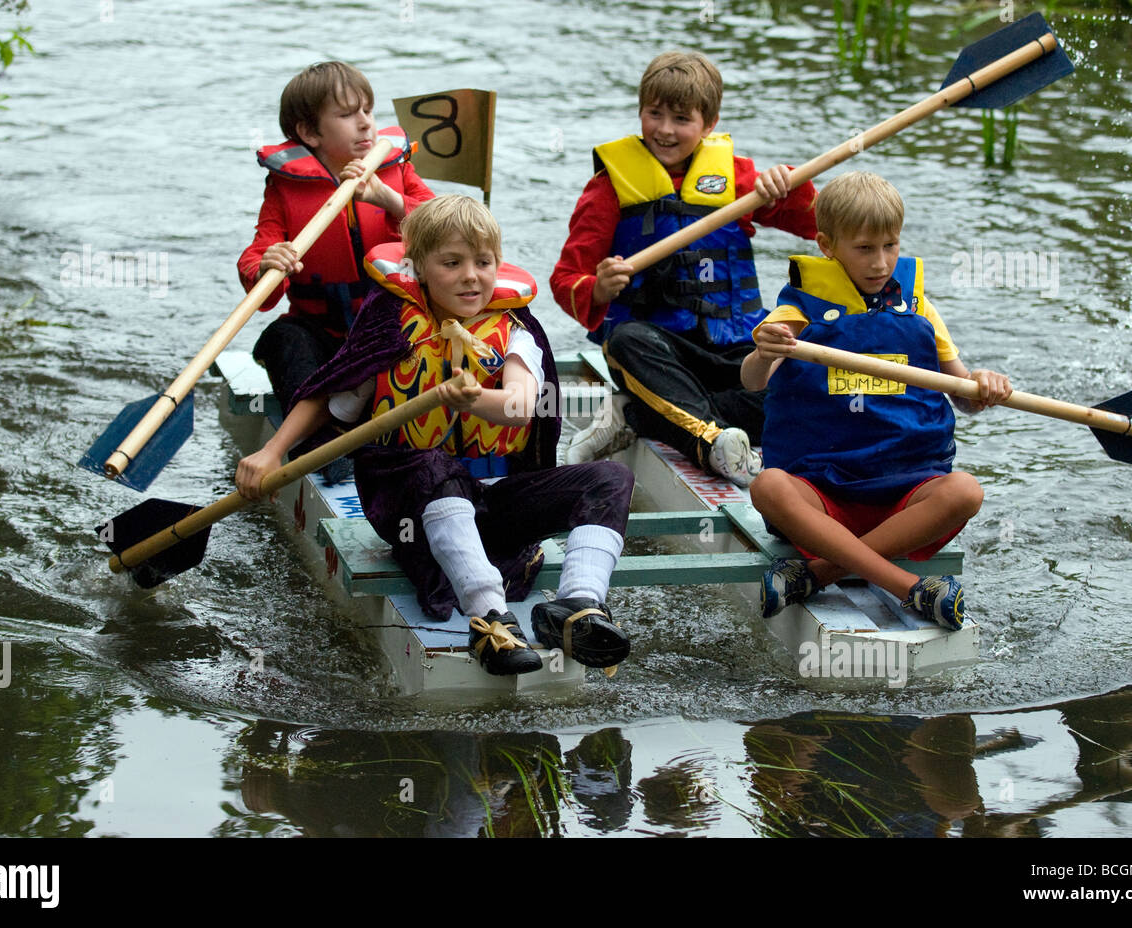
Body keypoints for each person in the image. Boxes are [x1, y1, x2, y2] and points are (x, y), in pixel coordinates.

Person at [236, 196, 634, 676]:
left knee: (610, 478)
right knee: (431, 464)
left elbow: (520, 407)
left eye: (483, 262)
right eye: (452, 263)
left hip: (494, 505)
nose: (471, 276)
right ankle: (489, 617)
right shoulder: (392, 325)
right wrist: (272, 452)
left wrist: (465, 399)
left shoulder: (514, 331)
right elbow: (329, 399)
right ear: (419, 267)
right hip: (412, 509)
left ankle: (578, 605)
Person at [740, 171, 1012, 629]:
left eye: (891, 246)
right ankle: (910, 588)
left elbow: (963, 395)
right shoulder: (799, 310)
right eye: (864, 249)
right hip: (823, 492)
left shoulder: (920, 309)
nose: (881, 263)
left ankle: (818, 573)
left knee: (966, 490)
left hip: (903, 491)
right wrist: (764, 349)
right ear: (827, 245)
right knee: (767, 486)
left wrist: (984, 385)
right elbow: (752, 380)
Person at [550, 50, 818, 485]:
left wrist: (788, 186)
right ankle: (712, 443)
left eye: (681, 119)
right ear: (640, 113)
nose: (665, 130)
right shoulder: (608, 189)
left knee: (803, 388)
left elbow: (818, 225)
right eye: (654, 114)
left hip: (735, 348)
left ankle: (638, 413)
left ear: (708, 125)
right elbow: (566, 278)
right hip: (659, 348)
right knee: (625, 340)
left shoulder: (740, 179)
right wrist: (598, 287)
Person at [237, 60, 434, 476]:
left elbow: (446, 228)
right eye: (347, 115)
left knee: (417, 339)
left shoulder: (397, 170)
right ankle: (320, 446)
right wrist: (266, 265)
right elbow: (259, 258)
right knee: (282, 337)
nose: (365, 125)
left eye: (368, 110)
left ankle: (399, 432)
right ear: (310, 133)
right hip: (323, 334)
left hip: (389, 326)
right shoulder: (284, 187)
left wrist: (390, 202)